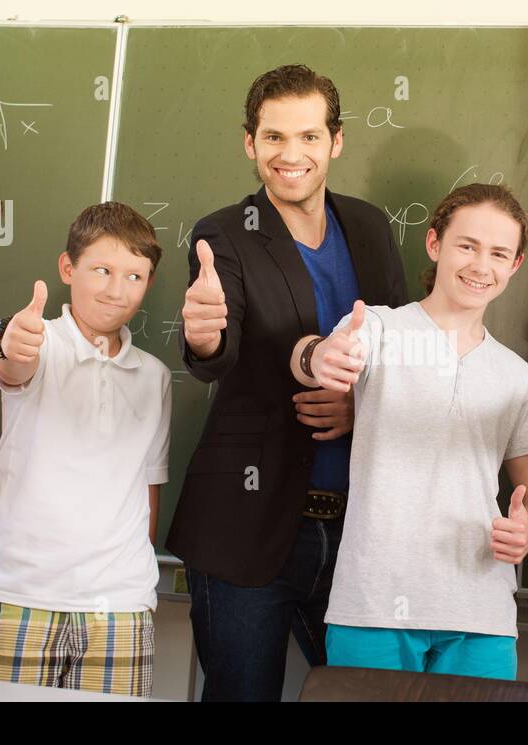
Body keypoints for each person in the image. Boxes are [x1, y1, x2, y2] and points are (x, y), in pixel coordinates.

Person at [166, 64, 408, 701]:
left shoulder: (372, 230)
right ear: (250, 143)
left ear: (336, 141)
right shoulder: (223, 235)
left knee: (363, 696)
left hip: (360, 530)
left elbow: (401, 352)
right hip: (249, 526)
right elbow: (224, 355)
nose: (290, 154)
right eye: (273, 138)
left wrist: (363, 408)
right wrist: (202, 335)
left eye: (308, 136)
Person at [294, 183, 528, 680]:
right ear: (434, 245)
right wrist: (328, 357)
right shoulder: (376, 328)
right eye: (467, 245)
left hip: (480, 614)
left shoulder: (514, 373)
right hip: (373, 607)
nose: (481, 265)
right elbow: (328, 357)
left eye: (499, 253)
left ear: (515, 266)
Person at [0, 202, 169, 697]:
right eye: (101, 270)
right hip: (23, 595)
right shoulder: (38, 344)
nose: (115, 289)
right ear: (68, 268)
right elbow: (13, 366)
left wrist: (134, 579)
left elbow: (148, 489)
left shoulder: (155, 377)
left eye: (134, 276)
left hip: (120, 606)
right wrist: (11, 345)